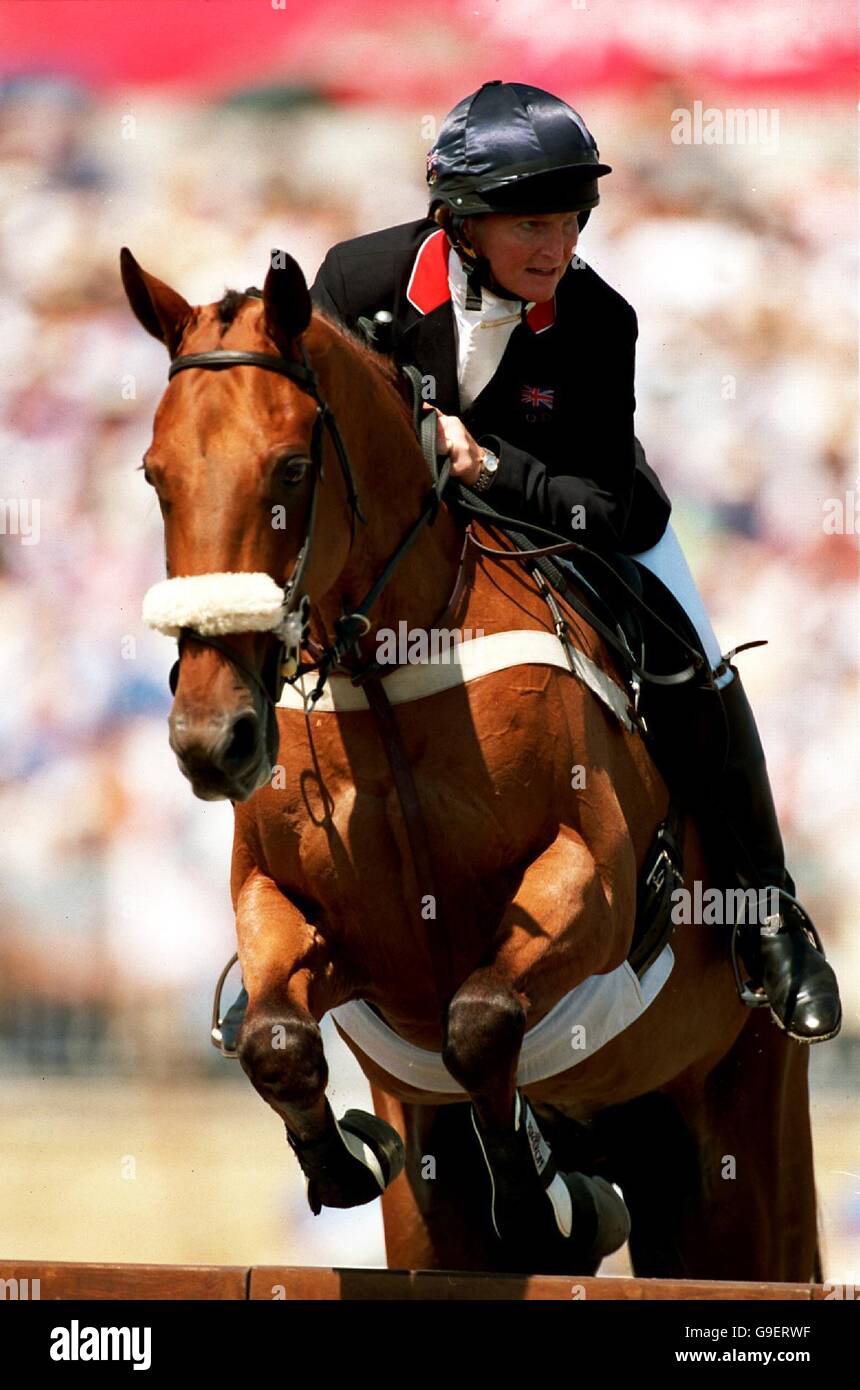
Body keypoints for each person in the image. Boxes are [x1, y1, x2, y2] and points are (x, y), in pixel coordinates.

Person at [216, 80, 840, 1053]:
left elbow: (596, 501)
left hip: (584, 520)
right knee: (284, 634)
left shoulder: (598, 320)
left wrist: (484, 462)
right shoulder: (356, 286)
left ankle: (765, 916)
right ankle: (274, 929)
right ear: (459, 223)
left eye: (569, 223)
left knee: (694, 661)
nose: (556, 250)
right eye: (531, 226)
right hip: (406, 540)